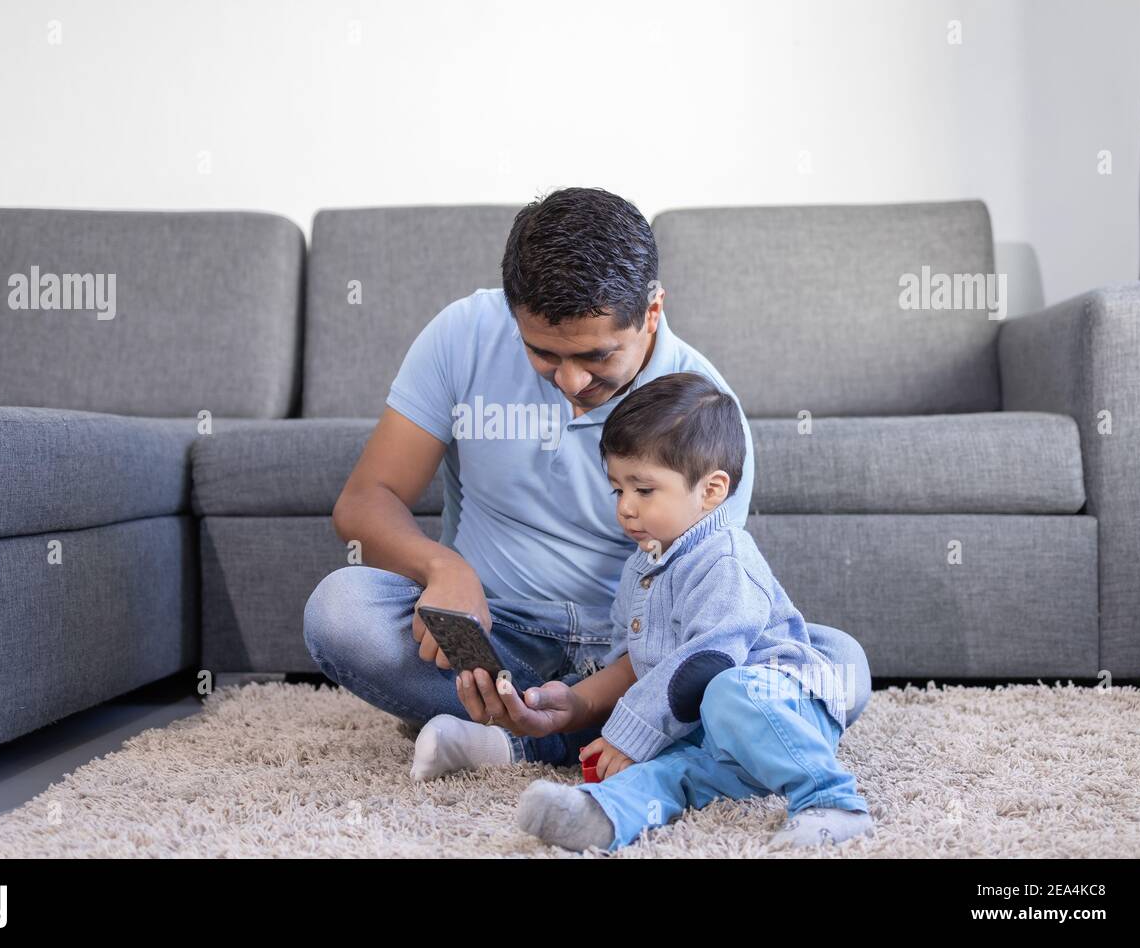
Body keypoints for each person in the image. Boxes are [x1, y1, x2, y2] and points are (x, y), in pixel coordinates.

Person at [302, 187, 872, 777]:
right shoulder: (463, 334)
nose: (571, 381)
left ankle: (528, 733)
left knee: (837, 665)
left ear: (651, 313)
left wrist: (598, 689)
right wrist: (441, 570)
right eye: (543, 354)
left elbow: (707, 609)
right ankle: (602, 731)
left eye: (597, 357)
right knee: (339, 612)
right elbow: (367, 500)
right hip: (496, 634)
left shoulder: (706, 418)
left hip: (639, 653)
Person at [507, 372, 873, 851]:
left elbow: (709, 661)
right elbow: (640, 666)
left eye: (644, 490)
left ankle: (831, 799)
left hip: (779, 704)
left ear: (711, 490)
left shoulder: (724, 558)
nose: (626, 509)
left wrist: (631, 732)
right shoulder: (641, 567)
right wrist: (583, 704)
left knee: (724, 692)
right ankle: (600, 817)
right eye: (618, 490)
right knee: (670, 765)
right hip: (705, 721)